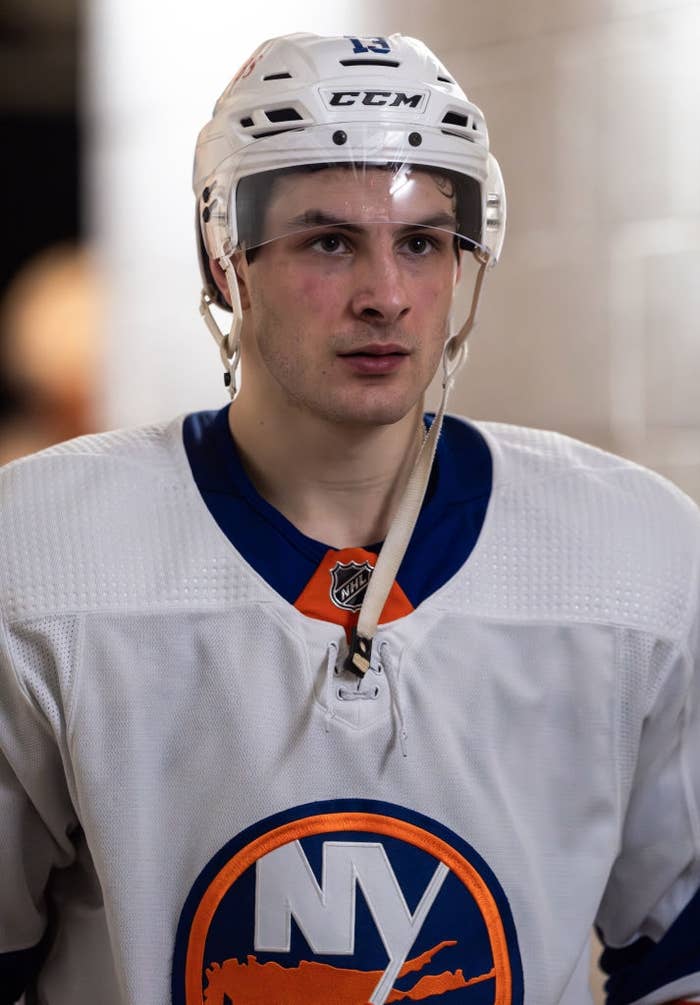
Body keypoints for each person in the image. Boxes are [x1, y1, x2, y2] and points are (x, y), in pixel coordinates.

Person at [0, 31, 698, 1005]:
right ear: (224, 258)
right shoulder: (38, 552)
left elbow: (680, 959)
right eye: (328, 242)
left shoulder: (636, 551)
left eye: (420, 242)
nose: (385, 297)